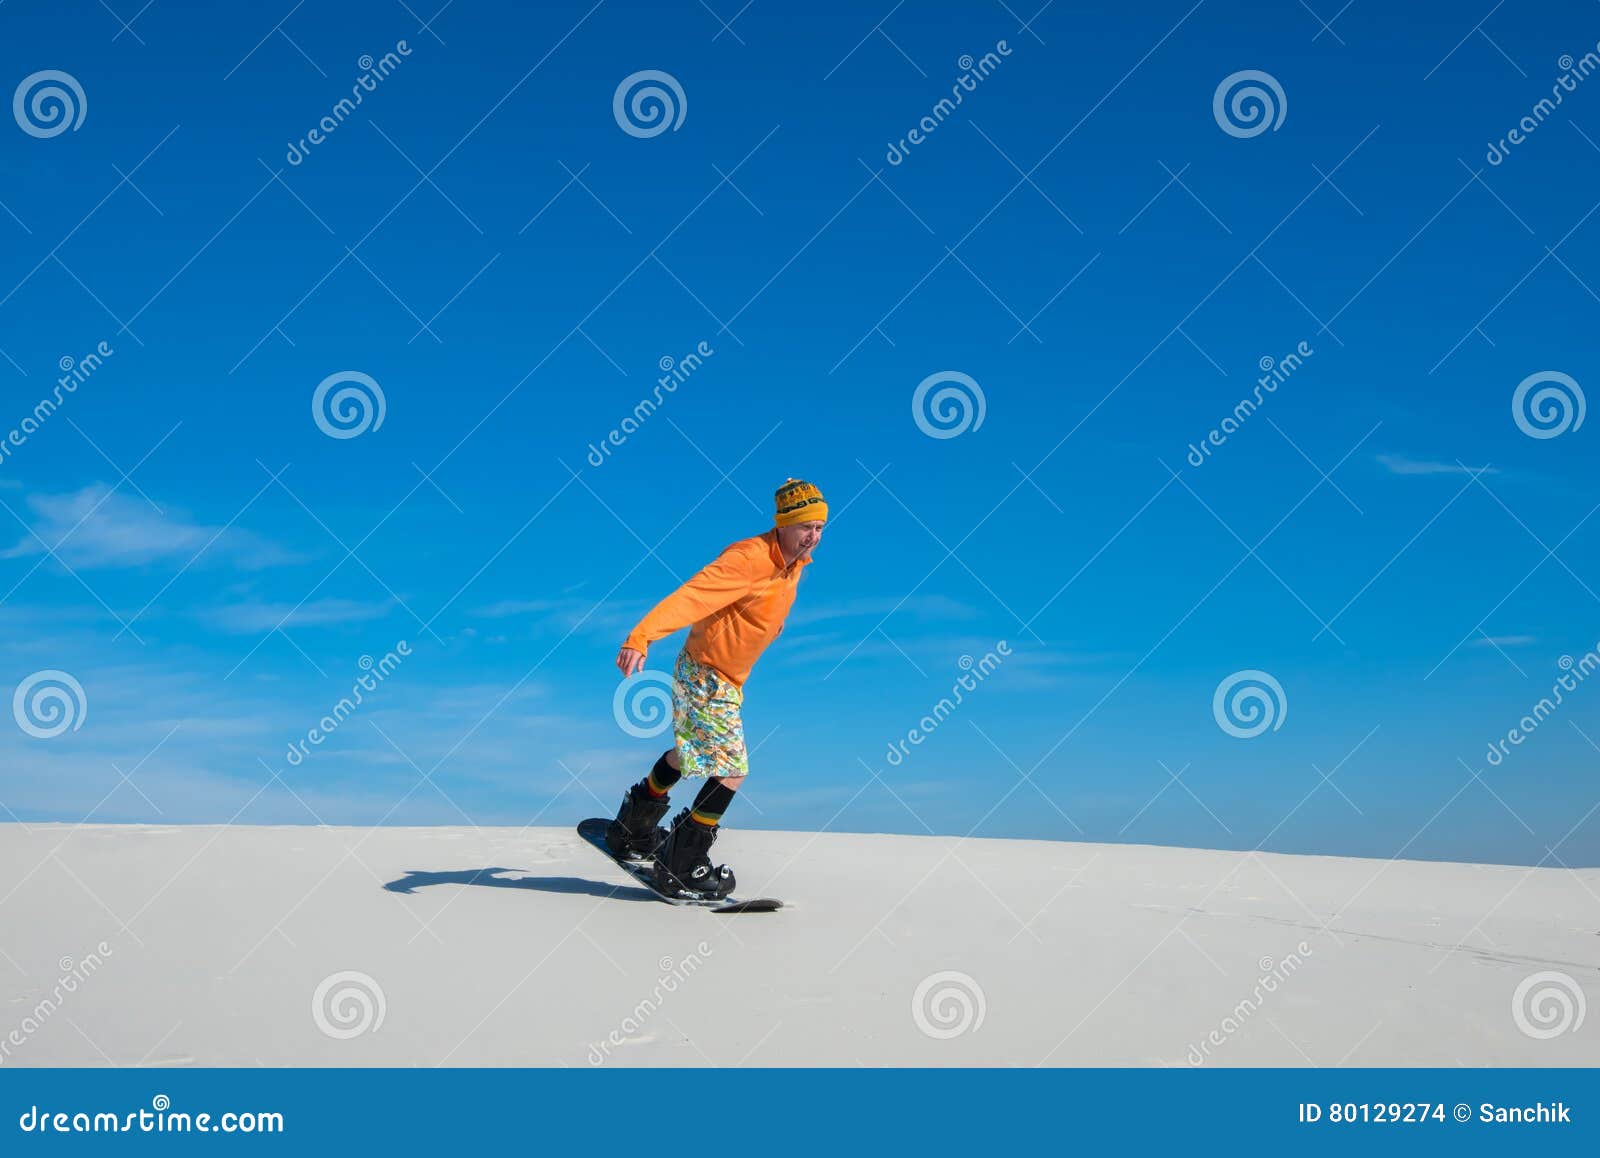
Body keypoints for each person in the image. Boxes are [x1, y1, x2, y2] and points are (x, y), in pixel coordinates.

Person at [608, 478, 827, 898]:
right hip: (706, 675)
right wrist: (641, 635)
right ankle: (682, 863)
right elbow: (692, 596)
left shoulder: (794, 566)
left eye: (819, 528)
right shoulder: (748, 559)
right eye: (805, 527)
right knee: (731, 770)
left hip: (721, 678)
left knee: (688, 755)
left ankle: (631, 829)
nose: (813, 537)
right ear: (782, 524)